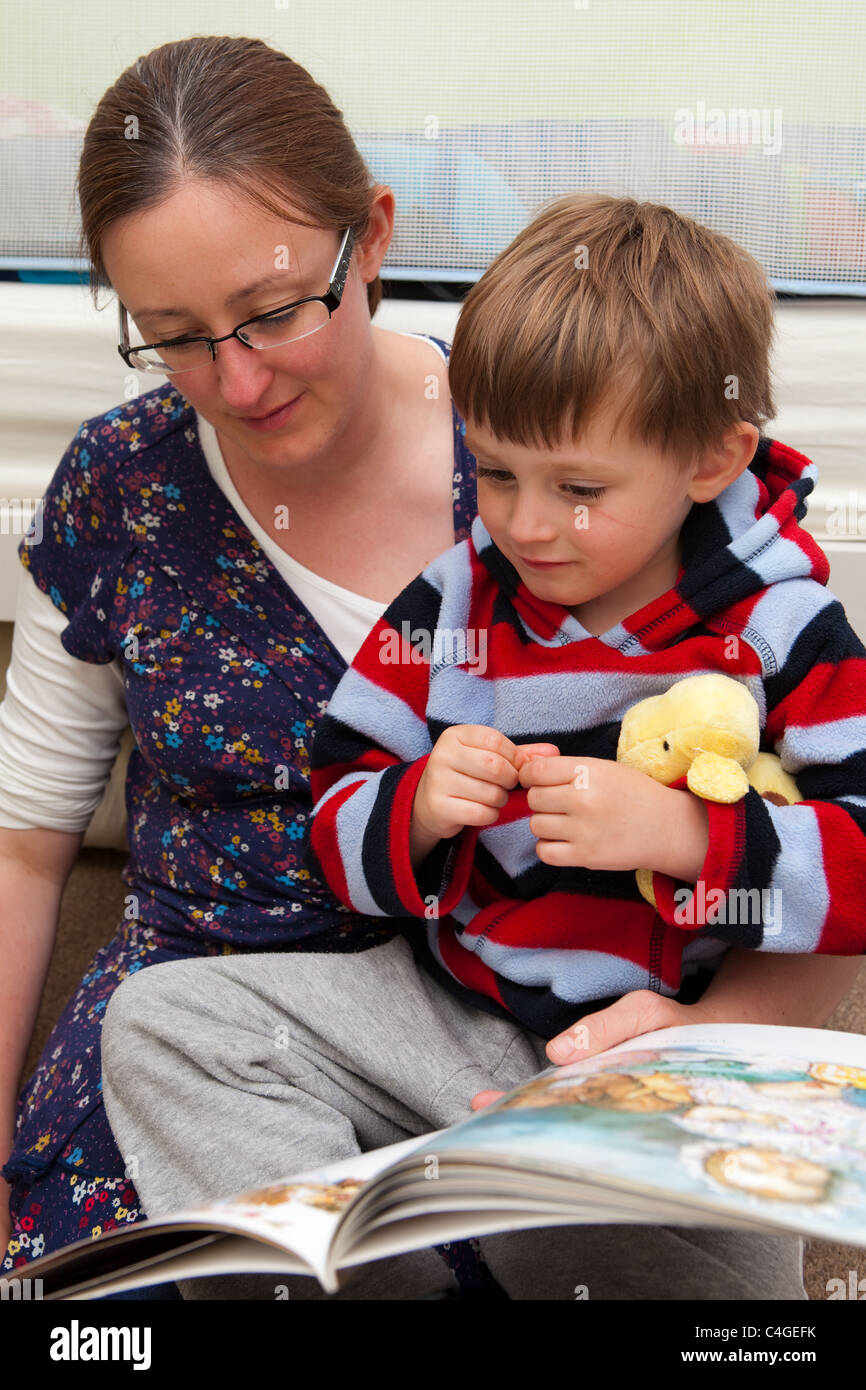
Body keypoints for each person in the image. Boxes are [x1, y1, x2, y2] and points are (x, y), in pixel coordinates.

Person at [97, 192, 864, 1299]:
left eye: (578, 489)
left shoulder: (783, 633)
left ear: (710, 457)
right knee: (167, 1018)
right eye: (496, 472)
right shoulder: (453, 599)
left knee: (724, 1296)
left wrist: (685, 832)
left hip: (657, 1072)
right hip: (444, 1017)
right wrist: (408, 807)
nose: (524, 524)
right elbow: (334, 809)